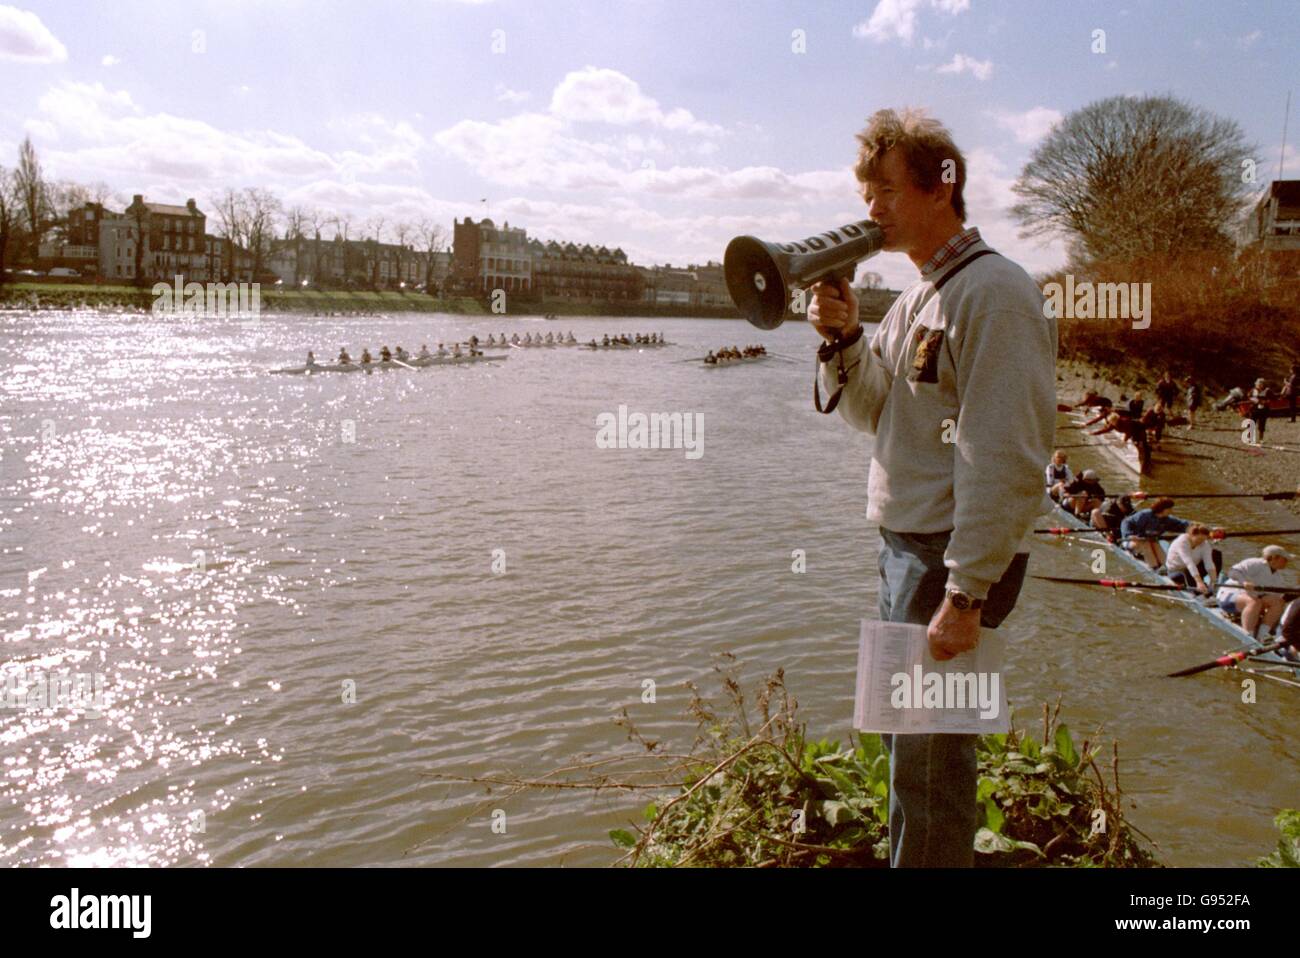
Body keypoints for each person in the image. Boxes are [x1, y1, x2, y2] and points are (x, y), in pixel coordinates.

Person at [808, 108, 1054, 868]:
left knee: (931, 758)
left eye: (883, 190)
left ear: (939, 188)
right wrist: (844, 338)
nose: (869, 209)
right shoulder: (917, 298)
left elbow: (1004, 455)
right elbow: (874, 413)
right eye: (865, 191)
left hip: (945, 559)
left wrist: (968, 592)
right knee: (908, 739)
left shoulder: (997, 294)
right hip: (907, 549)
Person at [1217, 545, 1293, 639]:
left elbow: (1282, 597)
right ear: (1274, 558)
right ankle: (1248, 636)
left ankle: (1262, 635)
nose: (1287, 562)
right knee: (1254, 602)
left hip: (1253, 600)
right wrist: (1244, 581)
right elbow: (1232, 572)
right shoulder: (1255, 563)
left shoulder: (1278, 578)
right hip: (1228, 596)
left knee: (1278, 602)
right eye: (1285, 559)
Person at [1119, 496, 1188, 568]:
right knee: (1146, 544)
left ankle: (1166, 567)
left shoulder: (1167, 520)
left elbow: (1183, 524)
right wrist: (1129, 535)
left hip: (1149, 541)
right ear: (1162, 509)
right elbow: (1125, 522)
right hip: (1130, 541)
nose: (1171, 511)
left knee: (1154, 543)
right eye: (1169, 509)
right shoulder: (1144, 515)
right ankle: (1154, 567)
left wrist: (1196, 527)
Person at [1165, 523, 1221, 596]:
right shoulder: (1182, 542)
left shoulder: (1204, 543)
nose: (1201, 542)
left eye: (1204, 539)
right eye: (1199, 539)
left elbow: (1209, 563)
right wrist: (1199, 582)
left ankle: (1212, 587)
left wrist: (1213, 581)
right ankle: (1200, 592)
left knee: (1216, 554)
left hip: (1192, 570)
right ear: (1191, 534)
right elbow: (1189, 563)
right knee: (1188, 574)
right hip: (1177, 571)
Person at [1248, 378, 1271, 443]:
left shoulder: (1267, 391)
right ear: (1256, 384)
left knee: (1262, 424)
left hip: (1263, 410)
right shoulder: (1253, 390)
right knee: (1252, 423)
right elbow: (1248, 396)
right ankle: (1250, 438)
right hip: (1254, 409)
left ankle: (1261, 439)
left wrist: (1266, 401)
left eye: (1261, 384)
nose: (1259, 385)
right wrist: (1254, 400)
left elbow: (1273, 398)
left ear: (1263, 385)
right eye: (1258, 384)